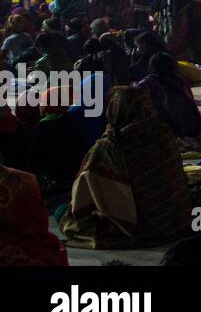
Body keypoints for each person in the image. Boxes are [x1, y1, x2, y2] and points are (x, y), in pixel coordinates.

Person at [59, 86, 193, 249]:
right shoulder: (163, 133)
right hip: (177, 219)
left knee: (62, 213)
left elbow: (83, 193)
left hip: (142, 226)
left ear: (115, 109)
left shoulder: (110, 147)